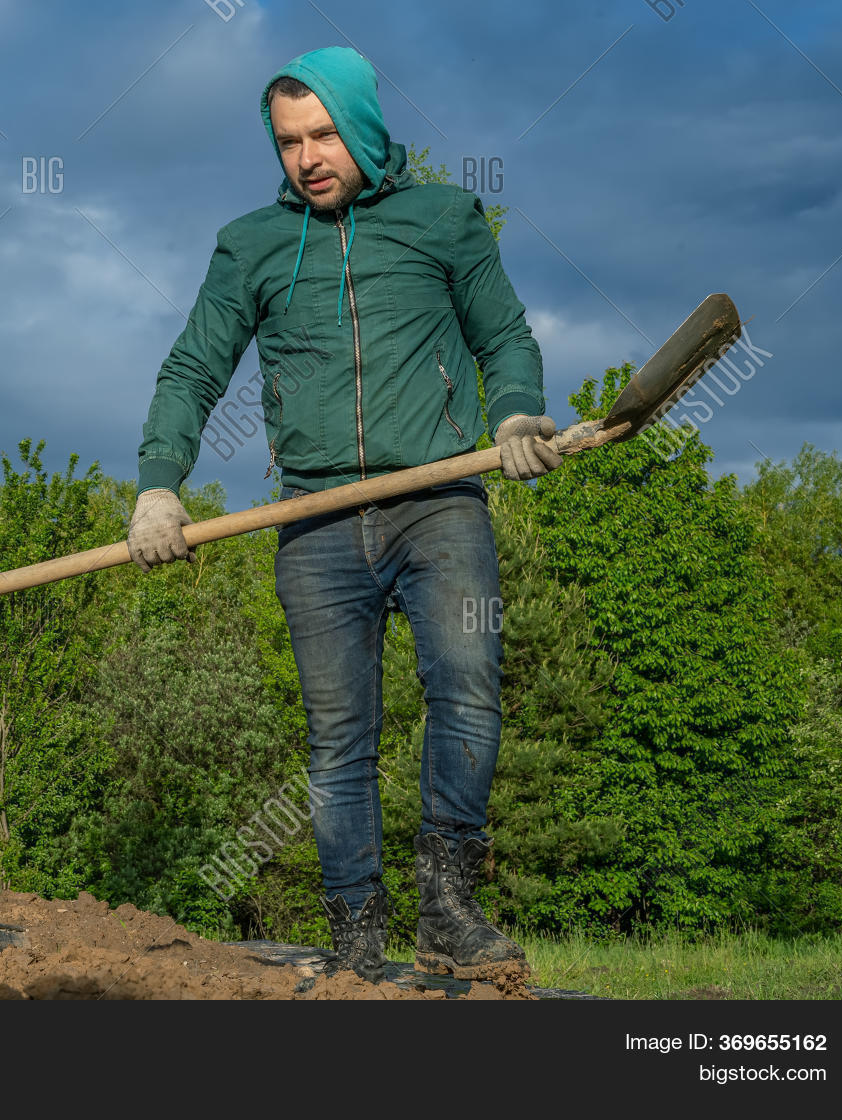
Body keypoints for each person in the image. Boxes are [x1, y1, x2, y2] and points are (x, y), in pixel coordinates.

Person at [127, 46, 560, 982]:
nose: (307, 157)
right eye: (288, 141)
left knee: (468, 688)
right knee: (338, 739)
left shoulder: (445, 220)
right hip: (316, 521)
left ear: (362, 126)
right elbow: (194, 369)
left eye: (323, 134)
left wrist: (518, 412)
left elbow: (505, 336)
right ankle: (357, 930)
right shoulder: (250, 245)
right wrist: (160, 481)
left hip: (441, 500)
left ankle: (447, 911)